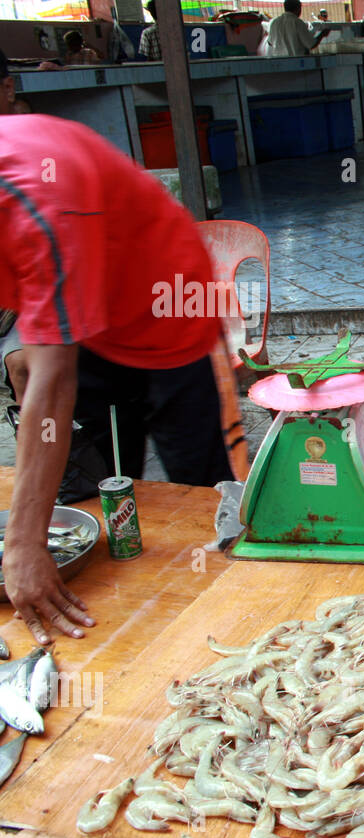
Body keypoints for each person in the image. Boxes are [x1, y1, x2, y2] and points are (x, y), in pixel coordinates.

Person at [0, 102, 236, 644]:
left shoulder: (41, 200)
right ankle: (125, 621)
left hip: (169, 311)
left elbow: (52, 385)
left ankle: (222, 616)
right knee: (93, 486)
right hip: (88, 318)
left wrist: (24, 543)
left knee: (198, 496)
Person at [267, 0, 331, 56]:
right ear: (298, 8)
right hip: (297, 63)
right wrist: (322, 34)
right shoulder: (298, 22)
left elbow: (270, 42)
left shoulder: (275, 22)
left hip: (278, 63)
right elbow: (311, 44)